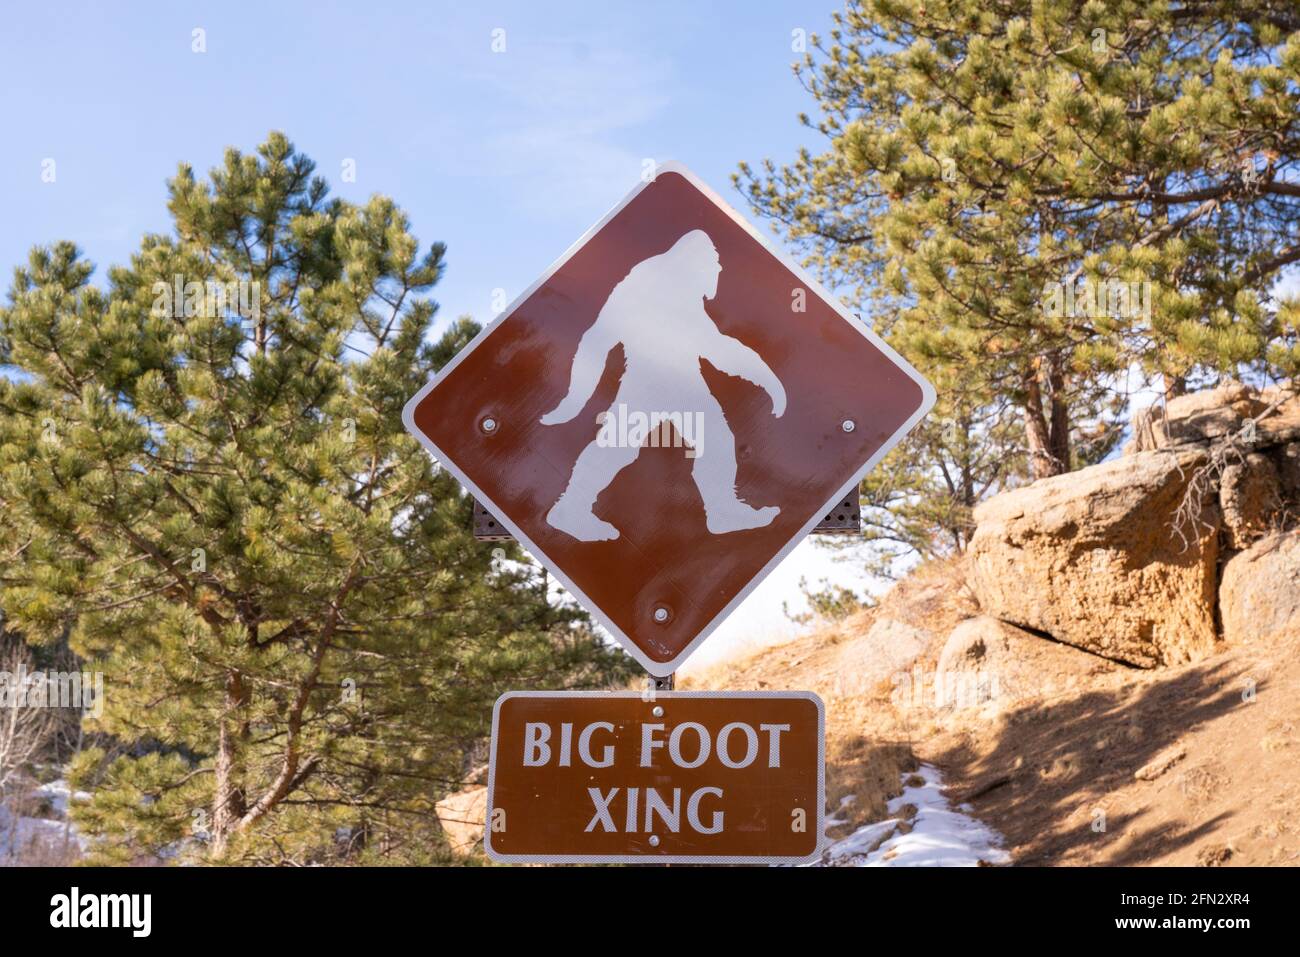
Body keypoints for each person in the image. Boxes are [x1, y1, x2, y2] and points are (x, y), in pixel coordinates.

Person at [539, 229, 787, 542]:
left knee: (714, 439)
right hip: (650, 381)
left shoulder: (682, 290)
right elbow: (598, 339)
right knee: (619, 447)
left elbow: (714, 346)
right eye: (715, 262)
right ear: (695, 260)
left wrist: (768, 379)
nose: (719, 270)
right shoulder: (648, 283)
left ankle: (723, 510)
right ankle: (571, 510)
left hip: (680, 382)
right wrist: (574, 400)